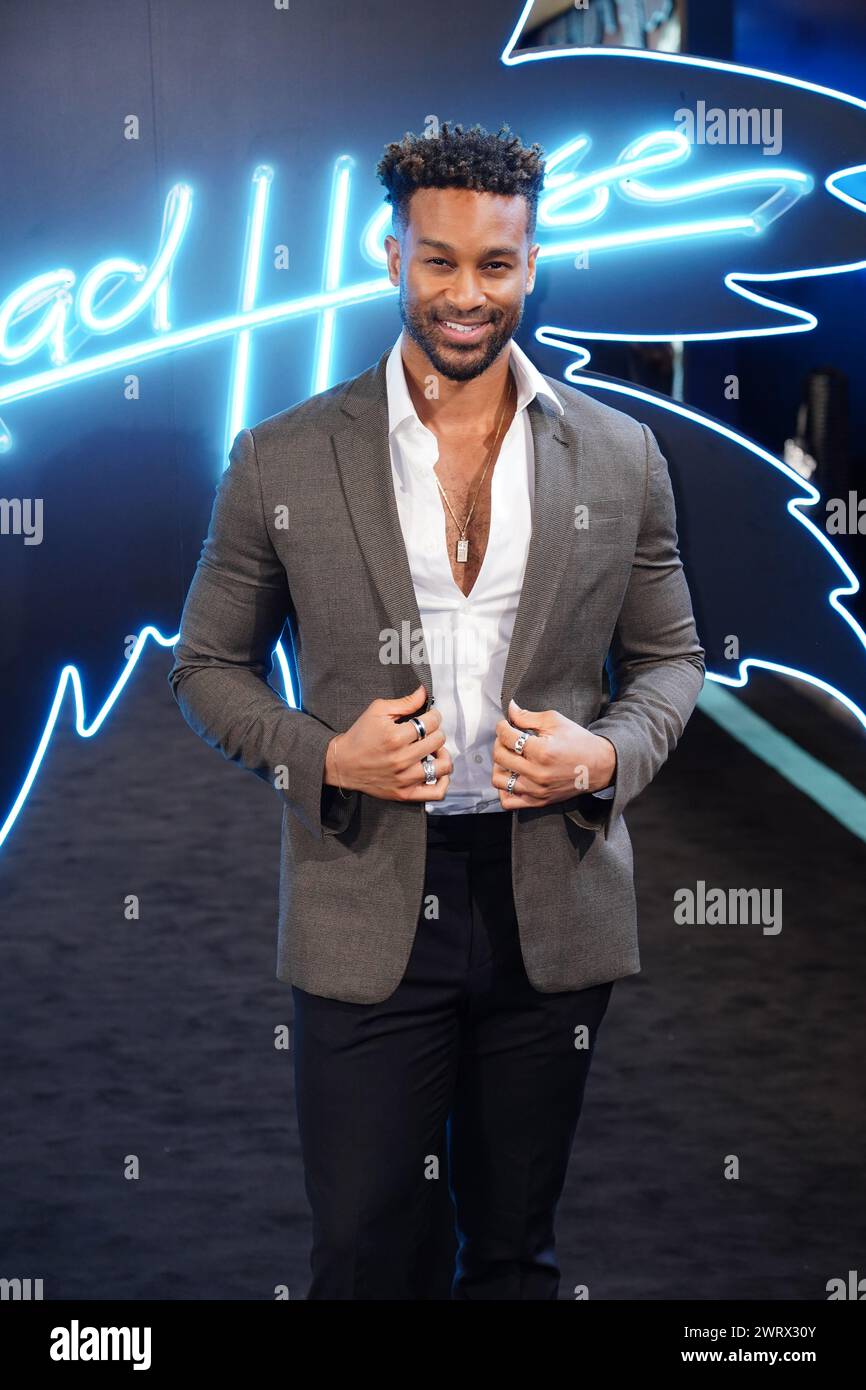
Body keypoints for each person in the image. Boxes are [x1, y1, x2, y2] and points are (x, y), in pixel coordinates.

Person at [168, 119, 705, 1300]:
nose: (467, 295)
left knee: (513, 1254)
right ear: (391, 257)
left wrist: (602, 753)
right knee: (366, 1255)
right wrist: (325, 757)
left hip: (548, 902)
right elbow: (206, 666)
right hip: (364, 901)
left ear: (531, 260)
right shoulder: (281, 456)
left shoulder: (622, 456)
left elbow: (672, 661)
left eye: (496, 264)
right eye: (438, 261)